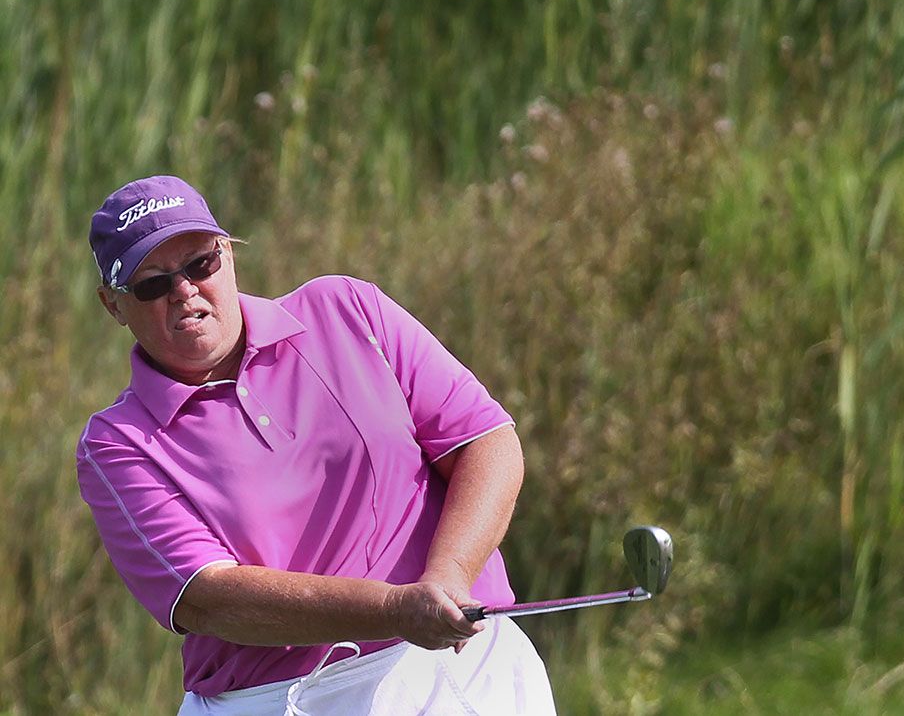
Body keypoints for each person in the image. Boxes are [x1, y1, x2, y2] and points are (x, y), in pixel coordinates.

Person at [77, 175, 557, 715]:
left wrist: (449, 576)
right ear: (113, 305)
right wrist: (395, 610)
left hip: (470, 668)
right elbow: (211, 599)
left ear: (228, 255)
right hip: (287, 700)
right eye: (151, 284)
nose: (185, 291)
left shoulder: (345, 309)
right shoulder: (118, 442)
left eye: (199, 264)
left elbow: (484, 441)